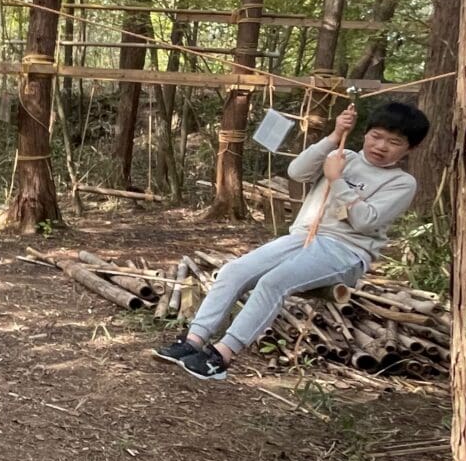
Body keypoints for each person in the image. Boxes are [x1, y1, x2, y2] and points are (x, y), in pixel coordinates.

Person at [156, 100, 430, 380]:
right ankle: (193, 340)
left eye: (394, 142)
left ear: (410, 148)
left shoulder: (401, 183)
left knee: (274, 282)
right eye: (376, 136)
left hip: (345, 251)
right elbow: (297, 172)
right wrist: (334, 137)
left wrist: (336, 181)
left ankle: (222, 355)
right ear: (366, 132)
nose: (381, 146)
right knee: (234, 271)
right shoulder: (342, 154)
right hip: (302, 236)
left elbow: (365, 220)